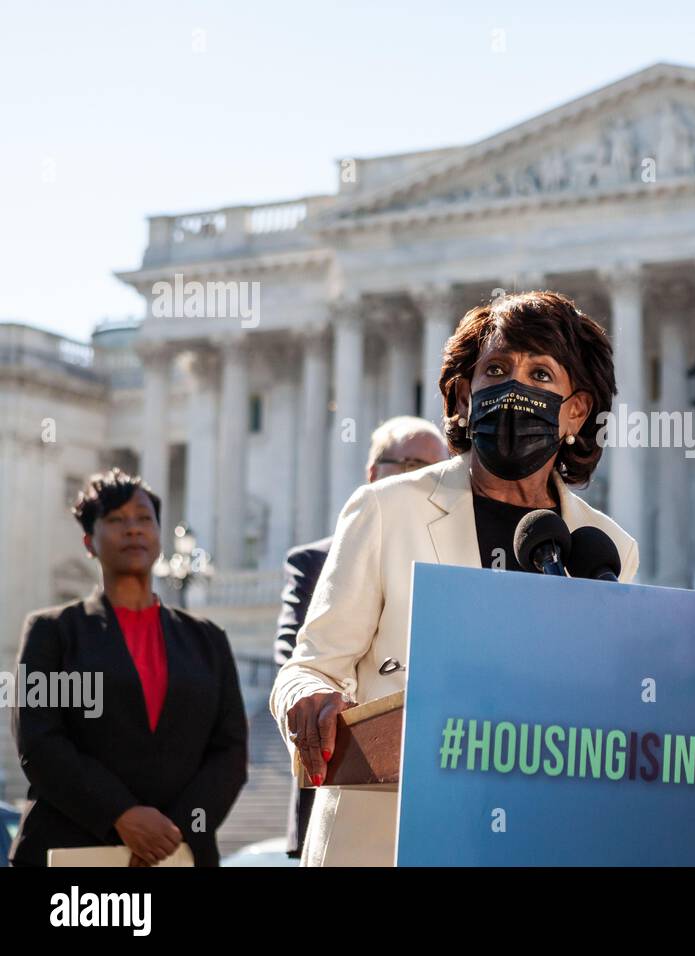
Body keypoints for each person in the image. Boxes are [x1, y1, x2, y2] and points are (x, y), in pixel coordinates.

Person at [270, 290, 639, 866]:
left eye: (540, 373)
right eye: (496, 369)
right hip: (386, 840)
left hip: (535, 839)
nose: (515, 388)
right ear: (465, 396)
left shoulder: (609, 549)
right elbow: (311, 665)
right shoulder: (386, 510)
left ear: (575, 410)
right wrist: (307, 696)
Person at [9, 469, 247, 867]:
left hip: (179, 855)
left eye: (143, 518)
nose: (133, 529)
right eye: (116, 520)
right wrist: (120, 815)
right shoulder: (52, 632)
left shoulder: (208, 640)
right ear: (90, 542)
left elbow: (230, 752)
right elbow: (39, 742)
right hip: (69, 852)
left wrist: (170, 834)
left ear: (158, 533)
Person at [274, 416, 448, 860]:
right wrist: (317, 692)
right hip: (342, 784)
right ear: (373, 473)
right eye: (409, 462)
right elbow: (303, 656)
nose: (421, 477)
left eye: (436, 467)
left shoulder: (452, 558)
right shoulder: (314, 560)